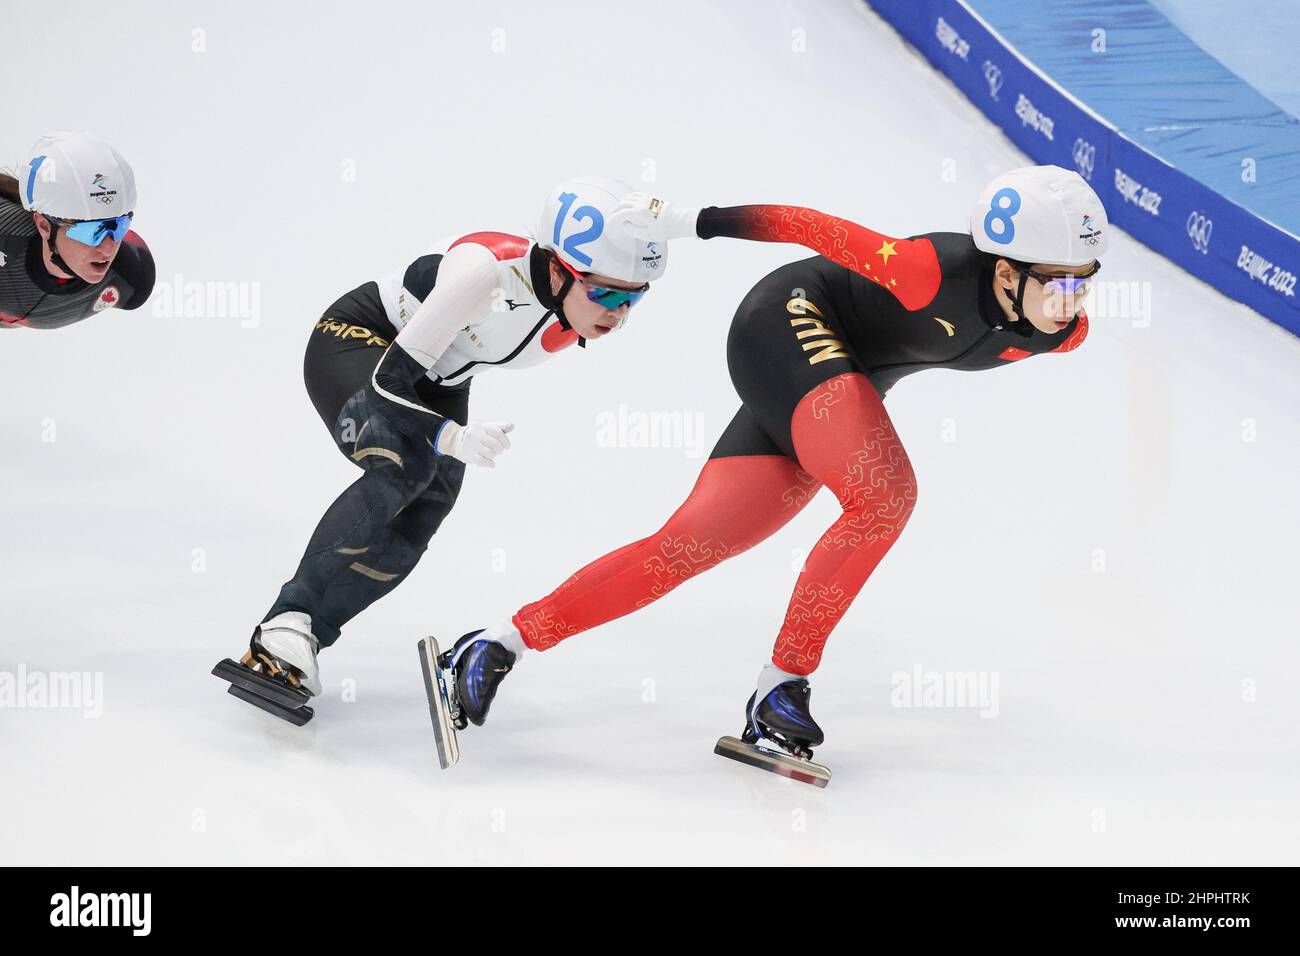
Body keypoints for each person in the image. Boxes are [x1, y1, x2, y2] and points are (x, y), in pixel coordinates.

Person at [447, 165, 1108, 765]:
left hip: (838, 379)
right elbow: (807, 227)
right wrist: (690, 222)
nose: (1073, 302)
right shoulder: (925, 269)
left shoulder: (1060, 331)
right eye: (1060, 283)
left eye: (1087, 281)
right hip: (787, 323)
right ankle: (786, 684)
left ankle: (496, 644)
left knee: (684, 547)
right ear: (1004, 269)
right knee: (885, 497)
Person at [213, 176, 673, 723]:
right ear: (555, 268)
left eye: (634, 297)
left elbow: (673, 226)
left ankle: (306, 639)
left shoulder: (567, 306)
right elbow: (386, 386)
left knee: (431, 502)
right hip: (362, 342)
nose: (618, 312)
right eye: (606, 293)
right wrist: (450, 437)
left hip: (437, 380)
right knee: (402, 468)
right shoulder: (482, 275)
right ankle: (284, 625)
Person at [0, 131, 153, 330]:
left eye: (119, 226)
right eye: (91, 232)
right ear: (45, 226)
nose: (108, 249)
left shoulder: (132, 277)